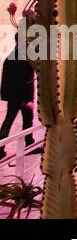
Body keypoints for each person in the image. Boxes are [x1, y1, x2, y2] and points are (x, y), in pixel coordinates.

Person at [0, 30, 36, 160]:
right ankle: (29, 143)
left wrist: (8, 96)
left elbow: (6, 81)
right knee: (27, 120)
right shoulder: (24, 59)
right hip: (23, 97)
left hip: (14, 97)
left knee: (8, 120)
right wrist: (26, 100)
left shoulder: (10, 57)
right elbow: (23, 81)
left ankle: (0, 148)